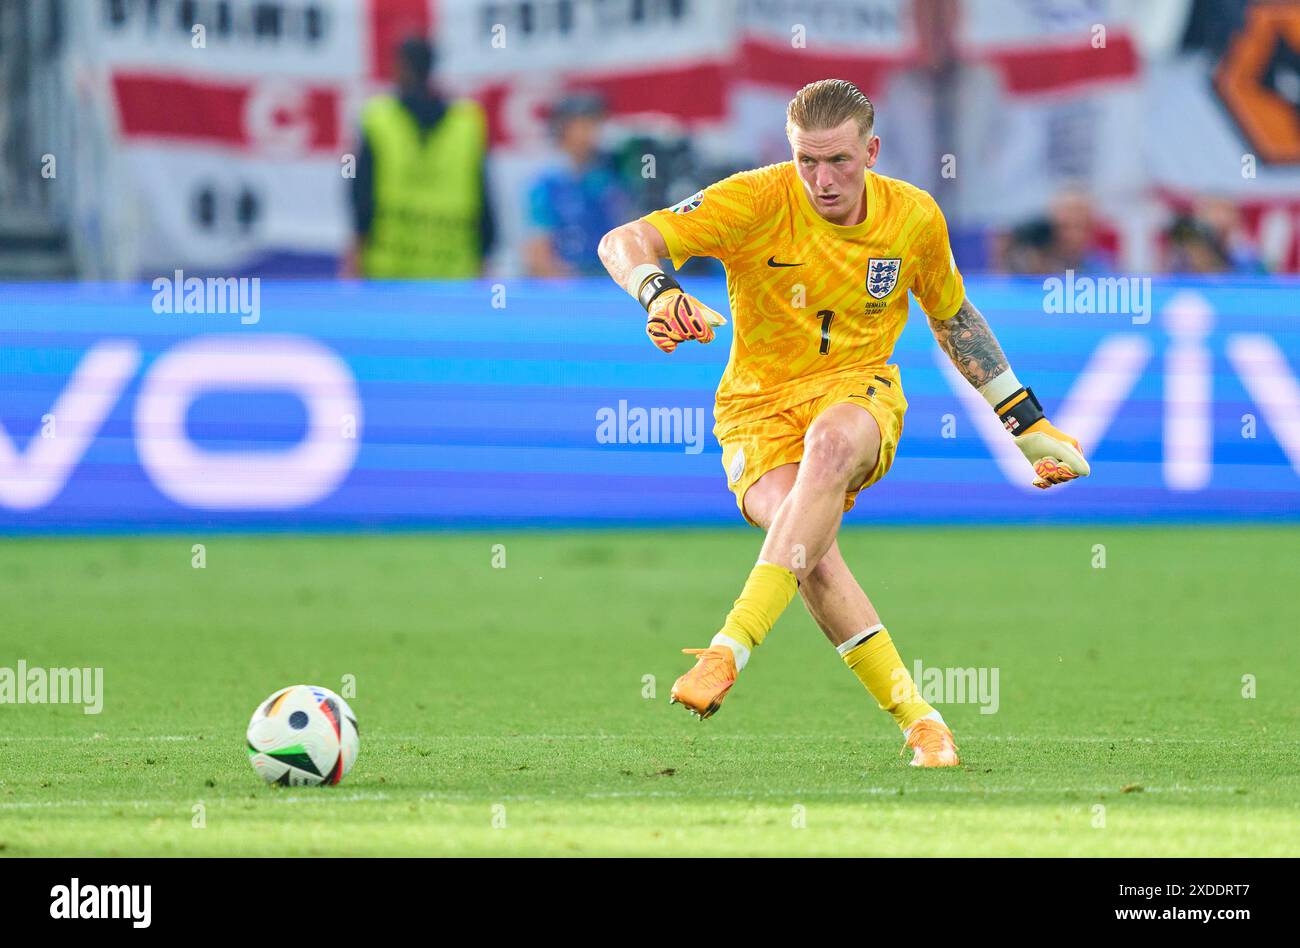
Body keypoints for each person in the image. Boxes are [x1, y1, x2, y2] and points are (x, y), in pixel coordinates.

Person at [597, 79, 1090, 767]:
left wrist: (1025, 420)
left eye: (839, 162)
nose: (821, 180)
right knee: (807, 545)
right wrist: (657, 291)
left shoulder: (912, 217)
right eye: (807, 161)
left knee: (829, 450)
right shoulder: (756, 198)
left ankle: (728, 648)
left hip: (859, 391)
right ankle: (922, 723)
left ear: (872, 150)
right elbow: (626, 239)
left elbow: (953, 317)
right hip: (755, 411)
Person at [343, 37, 495, 279]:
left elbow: (360, 196)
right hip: (455, 272)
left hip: (389, 273)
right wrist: (486, 259)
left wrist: (354, 260)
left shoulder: (377, 118)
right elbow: (486, 201)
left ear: (400, 67)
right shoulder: (467, 122)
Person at [522, 93, 632, 277]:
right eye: (581, 124)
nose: (589, 132)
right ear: (562, 128)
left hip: (612, 278)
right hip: (568, 282)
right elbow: (538, 248)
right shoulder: (547, 183)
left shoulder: (614, 175)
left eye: (594, 124)